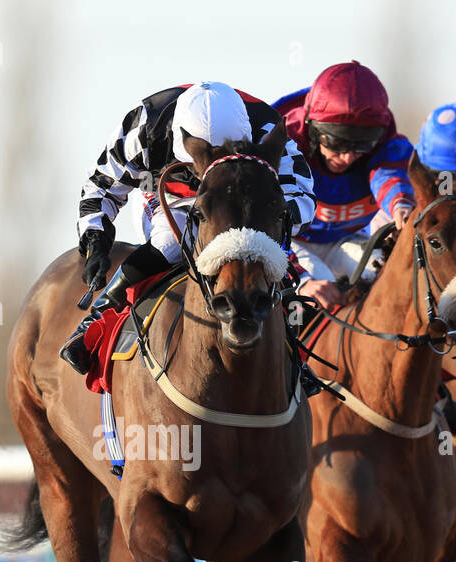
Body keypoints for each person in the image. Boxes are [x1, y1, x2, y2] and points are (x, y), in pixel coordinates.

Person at [60, 81, 316, 377]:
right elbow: (102, 186)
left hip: (244, 204)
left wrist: (268, 217)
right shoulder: (146, 125)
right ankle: (97, 317)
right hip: (170, 197)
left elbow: (304, 197)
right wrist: (96, 240)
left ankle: (292, 349)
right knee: (172, 244)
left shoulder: (267, 128)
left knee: (259, 253)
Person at [274, 61, 416, 308]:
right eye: (337, 143)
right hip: (290, 242)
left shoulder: (386, 148)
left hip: (345, 239)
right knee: (318, 296)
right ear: (314, 131)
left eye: (363, 144)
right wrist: (301, 278)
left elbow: (389, 177)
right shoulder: (282, 149)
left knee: (387, 281)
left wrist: (401, 204)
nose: (349, 157)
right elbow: (265, 226)